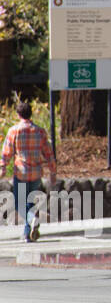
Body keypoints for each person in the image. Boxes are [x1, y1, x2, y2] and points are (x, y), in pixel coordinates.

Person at [2, 100, 56, 242]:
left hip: (21, 172)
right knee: (29, 203)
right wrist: (53, 171)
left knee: (21, 204)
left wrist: (2, 167)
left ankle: (32, 219)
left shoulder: (14, 131)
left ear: (18, 114)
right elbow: (48, 153)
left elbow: (6, 153)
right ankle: (28, 234)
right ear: (30, 114)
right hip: (36, 173)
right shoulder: (40, 131)